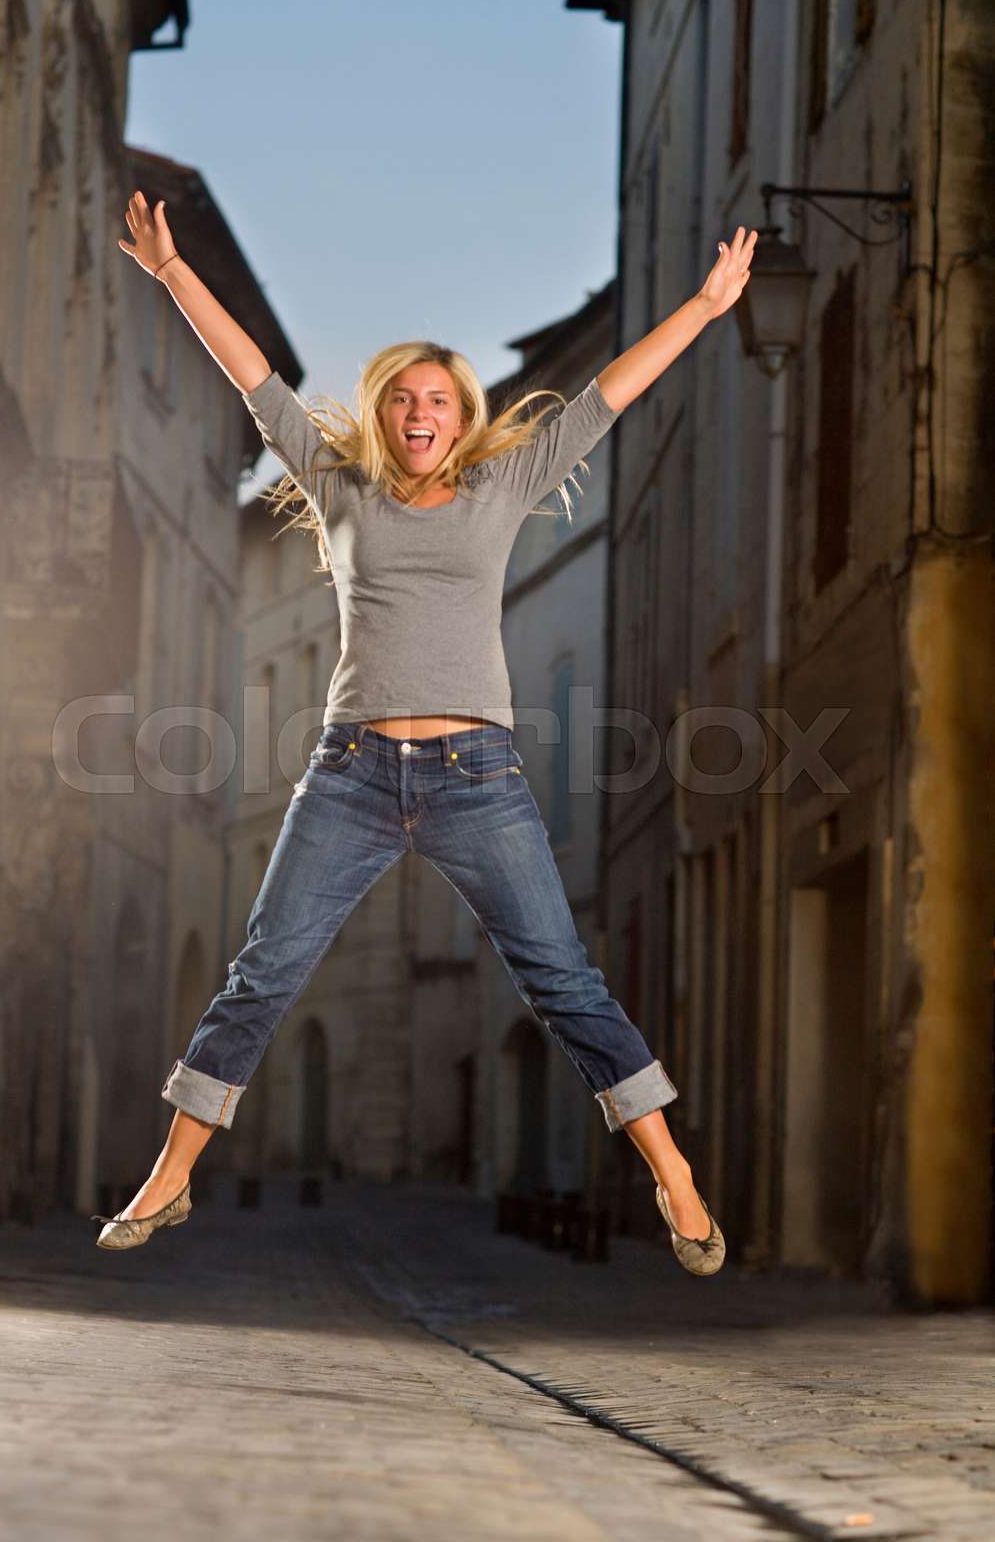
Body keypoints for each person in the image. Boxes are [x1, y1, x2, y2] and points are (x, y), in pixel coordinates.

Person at [93, 190, 756, 1274]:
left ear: (462, 416)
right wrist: (170, 271)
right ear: (383, 412)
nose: (418, 412)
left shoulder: (505, 485)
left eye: (437, 399)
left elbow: (606, 395)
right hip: (349, 771)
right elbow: (252, 374)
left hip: (475, 774)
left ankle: (672, 1173)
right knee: (261, 974)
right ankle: (169, 1175)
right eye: (403, 398)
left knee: (563, 981)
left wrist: (703, 303)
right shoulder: (337, 484)